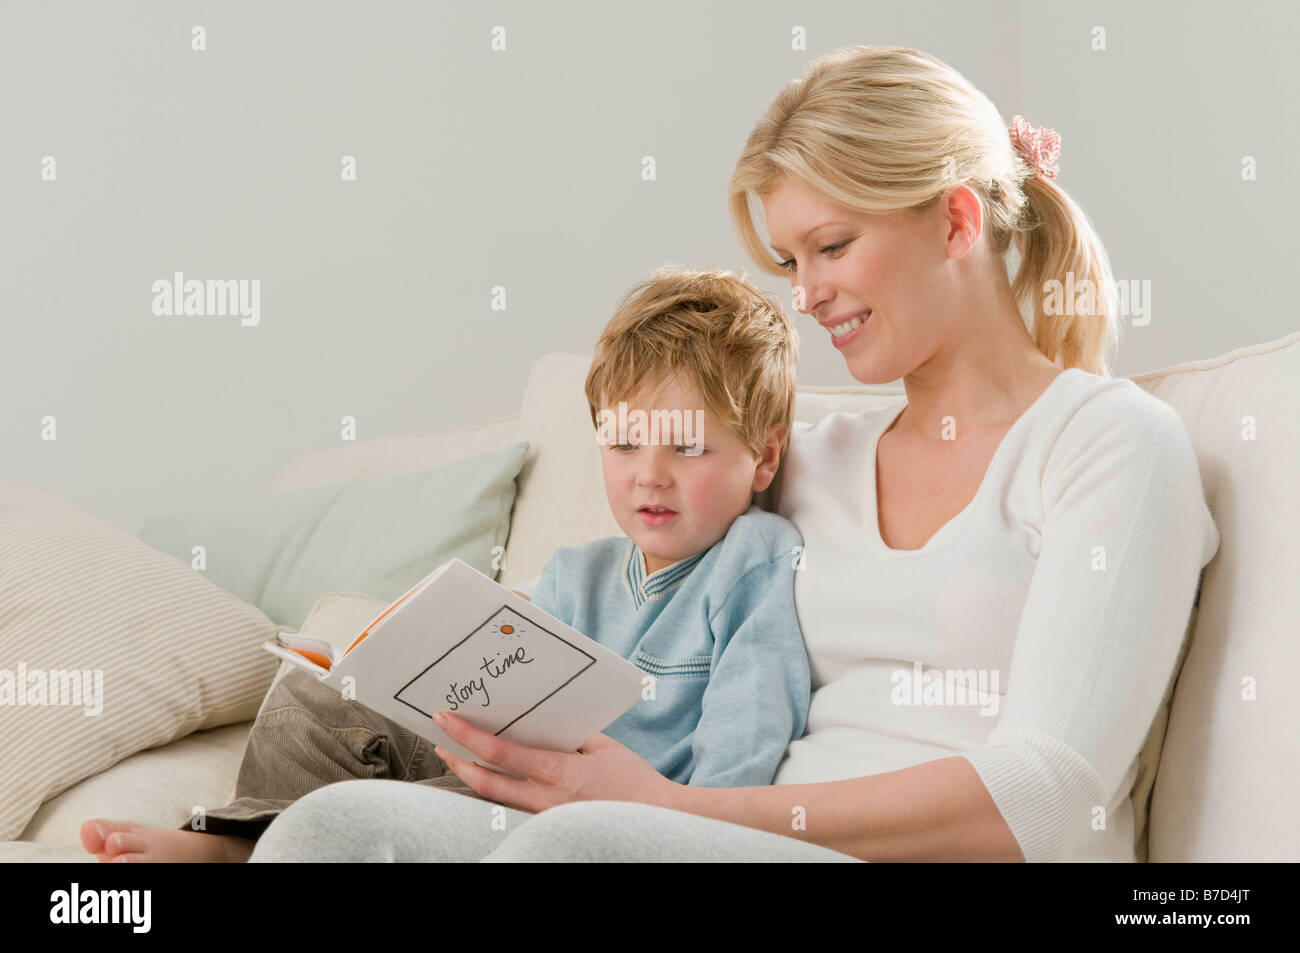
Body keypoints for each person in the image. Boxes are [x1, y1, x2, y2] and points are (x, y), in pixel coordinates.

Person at [208, 44, 1216, 863]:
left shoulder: (1110, 441)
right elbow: (632, 613)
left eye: (831, 245)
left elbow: (1052, 796)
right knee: (333, 829)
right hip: (718, 838)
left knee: (579, 849)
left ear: (954, 218)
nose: (805, 293)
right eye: (788, 261)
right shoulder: (803, 459)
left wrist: (669, 813)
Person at [79, 266, 812, 862]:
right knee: (316, 699)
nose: (649, 475)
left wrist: (688, 818)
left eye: (685, 447)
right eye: (624, 445)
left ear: (764, 457)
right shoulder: (575, 571)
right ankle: (243, 838)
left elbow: (742, 749)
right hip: (490, 762)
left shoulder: (751, 560)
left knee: (389, 814)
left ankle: (259, 851)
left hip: (583, 811)